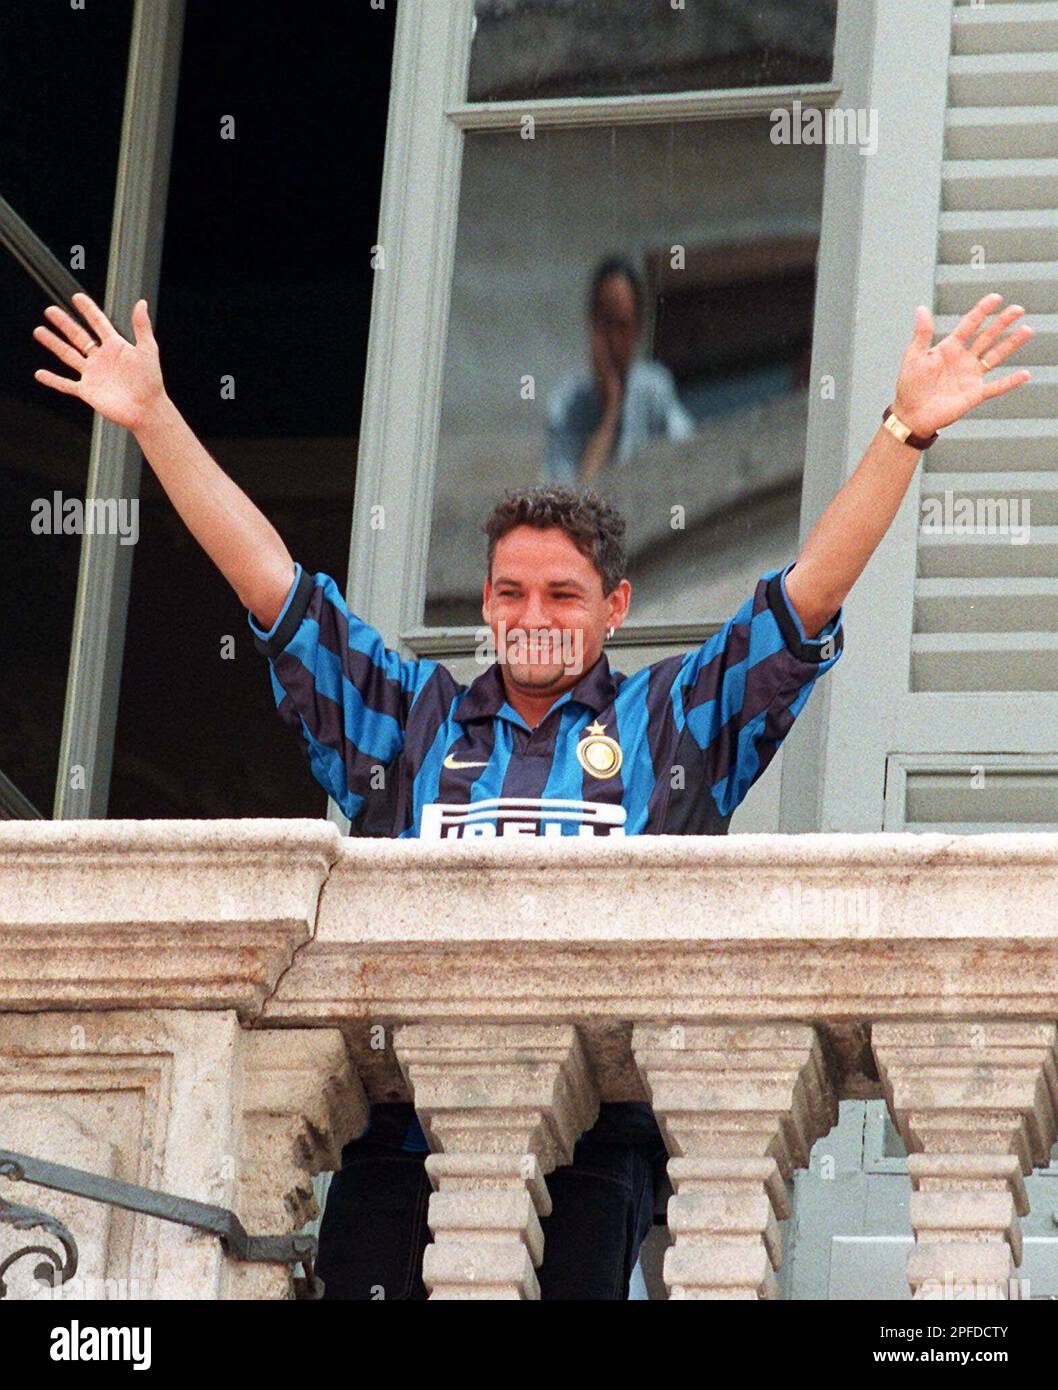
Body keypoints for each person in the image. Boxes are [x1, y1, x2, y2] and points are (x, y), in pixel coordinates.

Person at [32, 289, 1032, 1298]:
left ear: (614, 606)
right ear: (484, 606)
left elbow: (806, 595)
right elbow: (273, 589)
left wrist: (903, 431)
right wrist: (154, 416)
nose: (532, 614)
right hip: (398, 1135)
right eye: (509, 592)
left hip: (597, 1135)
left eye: (562, 593)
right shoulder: (411, 721)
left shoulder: (667, 721)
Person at [542, 256, 694, 483]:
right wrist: (611, 410)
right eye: (605, 324)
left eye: (622, 326)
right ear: (592, 323)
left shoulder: (655, 389)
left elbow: (688, 456)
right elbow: (569, 502)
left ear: (638, 329)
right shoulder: (565, 405)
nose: (613, 340)